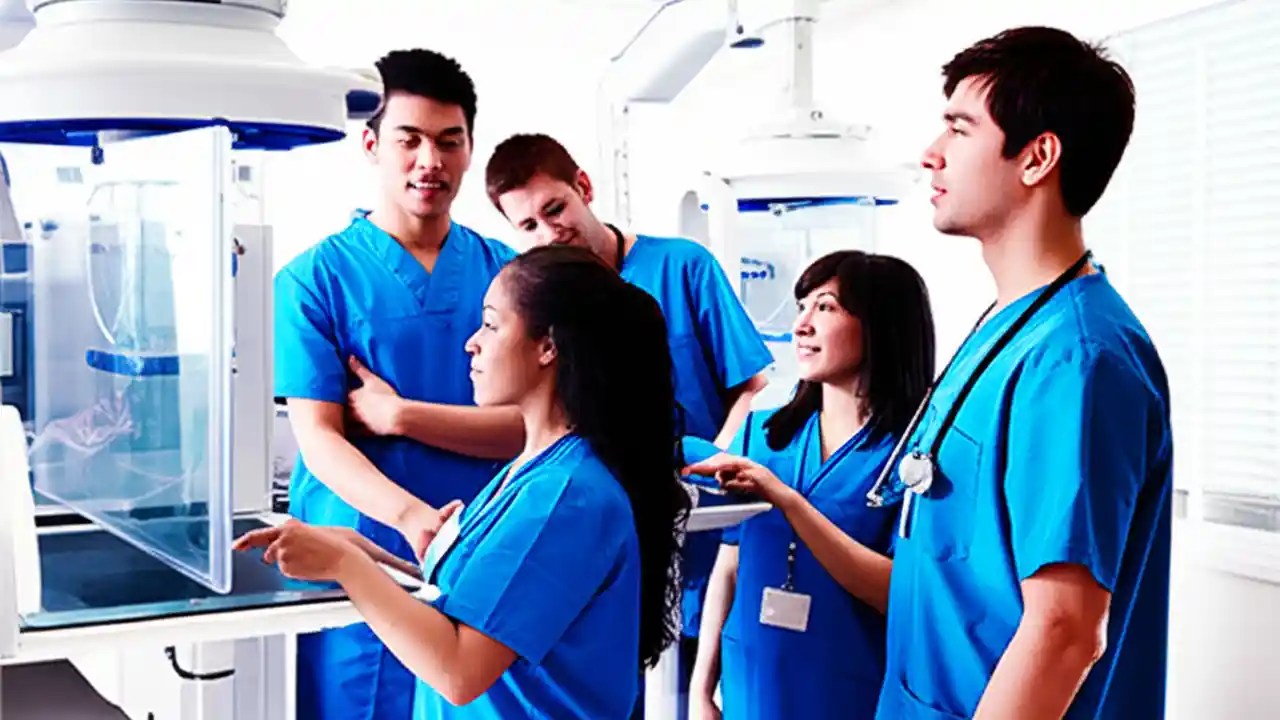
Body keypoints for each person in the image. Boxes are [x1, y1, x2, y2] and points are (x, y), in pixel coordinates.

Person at [689, 25, 1173, 720]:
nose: (931, 154)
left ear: (1037, 157)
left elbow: (1064, 630)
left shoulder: (1077, 359)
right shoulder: (1001, 334)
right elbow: (933, 574)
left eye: (959, 128)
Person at [240, 245, 691, 720]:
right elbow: (479, 605)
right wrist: (363, 551)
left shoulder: (565, 497)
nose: (471, 343)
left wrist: (347, 566)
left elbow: (460, 671)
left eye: (492, 325)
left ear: (548, 346)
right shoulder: (531, 471)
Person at [481, 132, 773, 710]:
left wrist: (706, 461)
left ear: (583, 187)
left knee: (696, 680)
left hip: (691, 510)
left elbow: (751, 387)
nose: (548, 232)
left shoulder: (680, 268)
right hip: (607, 521)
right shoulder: (546, 300)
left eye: (555, 209)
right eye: (529, 226)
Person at [273, 48, 521, 719]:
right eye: (409, 140)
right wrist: (413, 520)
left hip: (482, 545)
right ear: (371, 144)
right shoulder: (313, 279)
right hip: (364, 551)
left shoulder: (514, 278)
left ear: (470, 149)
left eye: (449, 142)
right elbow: (319, 439)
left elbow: (536, 428)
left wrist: (400, 414)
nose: (429, 162)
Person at [686, 250, 935, 720]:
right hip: (751, 682)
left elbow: (900, 590)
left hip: (846, 686)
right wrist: (701, 691)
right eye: (803, 306)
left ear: (881, 324)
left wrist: (788, 502)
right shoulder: (760, 435)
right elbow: (730, 566)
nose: (801, 325)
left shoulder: (914, 457)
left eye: (826, 307)